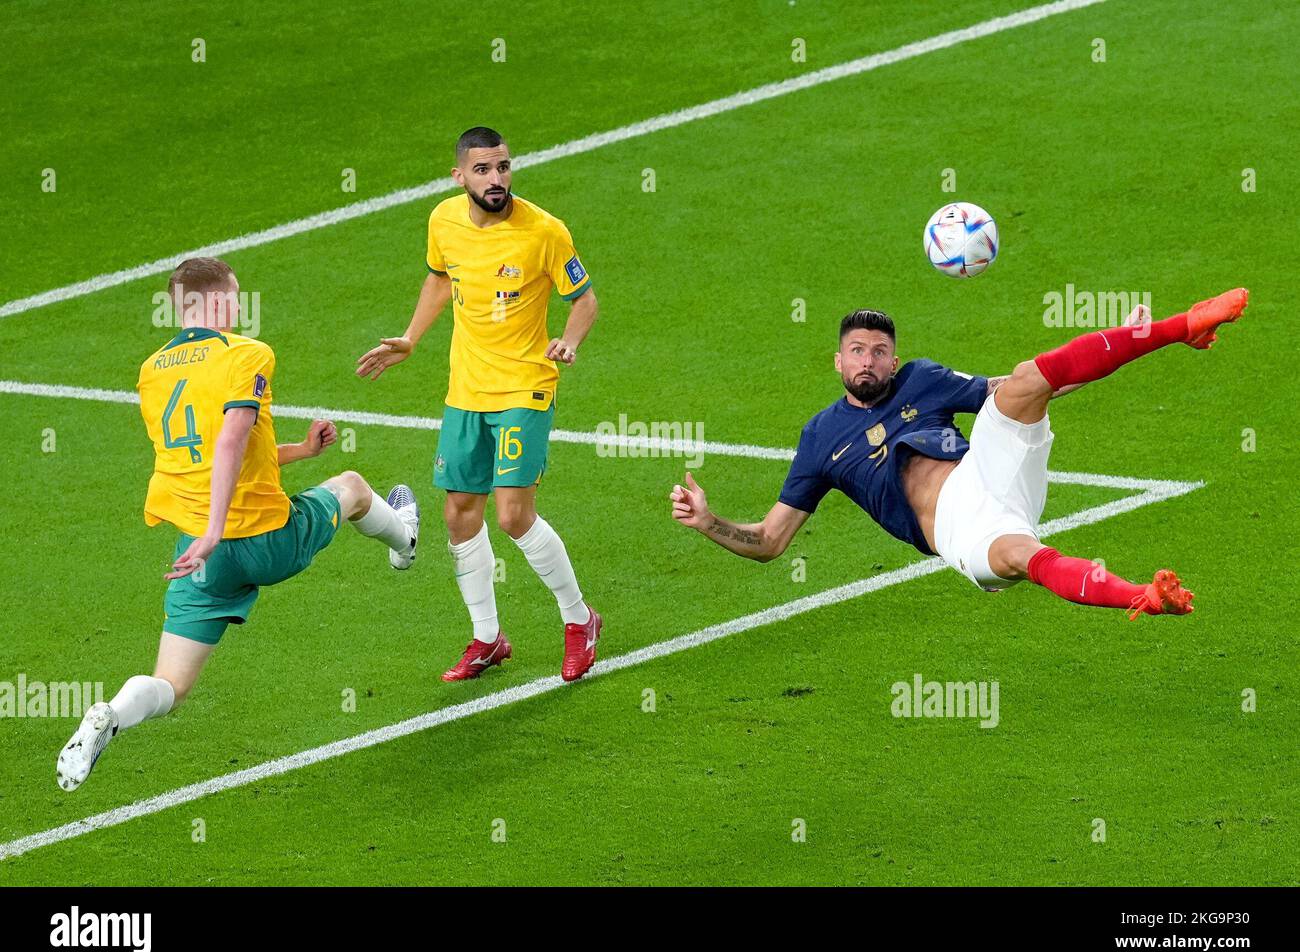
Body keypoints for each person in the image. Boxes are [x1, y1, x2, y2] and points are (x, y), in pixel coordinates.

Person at [56, 257, 419, 791]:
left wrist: (296, 450)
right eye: (237, 296)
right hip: (262, 537)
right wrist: (216, 529)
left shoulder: (152, 370)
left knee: (170, 685)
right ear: (219, 303)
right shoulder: (248, 353)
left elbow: (213, 453)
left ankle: (110, 712)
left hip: (199, 561)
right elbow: (229, 439)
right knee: (354, 488)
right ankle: (406, 539)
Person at [670, 290, 1249, 617]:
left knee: (1026, 379)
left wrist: (1123, 342)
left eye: (879, 351)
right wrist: (708, 521)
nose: (868, 360)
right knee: (1025, 557)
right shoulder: (821, 436)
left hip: (987, 467)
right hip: (961, 528)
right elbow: (770, 541)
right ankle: (1143, 596)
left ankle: (1180, 328)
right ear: (838, 362)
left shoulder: (923, 379)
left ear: (894, 361)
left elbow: (1035, 387)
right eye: (856, 350)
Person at [356, 126, 602, 682]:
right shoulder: (443, 220)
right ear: (460, 176)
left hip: (525, 386)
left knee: (513, 515)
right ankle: (488, 638)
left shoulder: (544, 231)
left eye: (504, 167)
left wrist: (570, 340)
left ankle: (579, 619)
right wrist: (411, 338)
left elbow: (584, 299)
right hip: (466, 390)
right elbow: (440, 279)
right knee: (459, 514)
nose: (497, 180)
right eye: (485, 170)